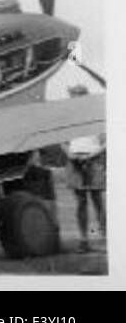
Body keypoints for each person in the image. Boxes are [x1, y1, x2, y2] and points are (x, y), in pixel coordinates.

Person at [64, 85, 106, 252]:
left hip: (93, 160)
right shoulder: (67, 119)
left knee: (97, 201)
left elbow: (106, 142)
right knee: (80, 203)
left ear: (85, 96)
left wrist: (91, 155)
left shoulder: (96, 115)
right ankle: (84, 239)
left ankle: (104, 238)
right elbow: (62, 141)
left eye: (76, 96)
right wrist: (69, 154)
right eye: (72, 97)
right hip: (74, 161)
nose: (73, 100)